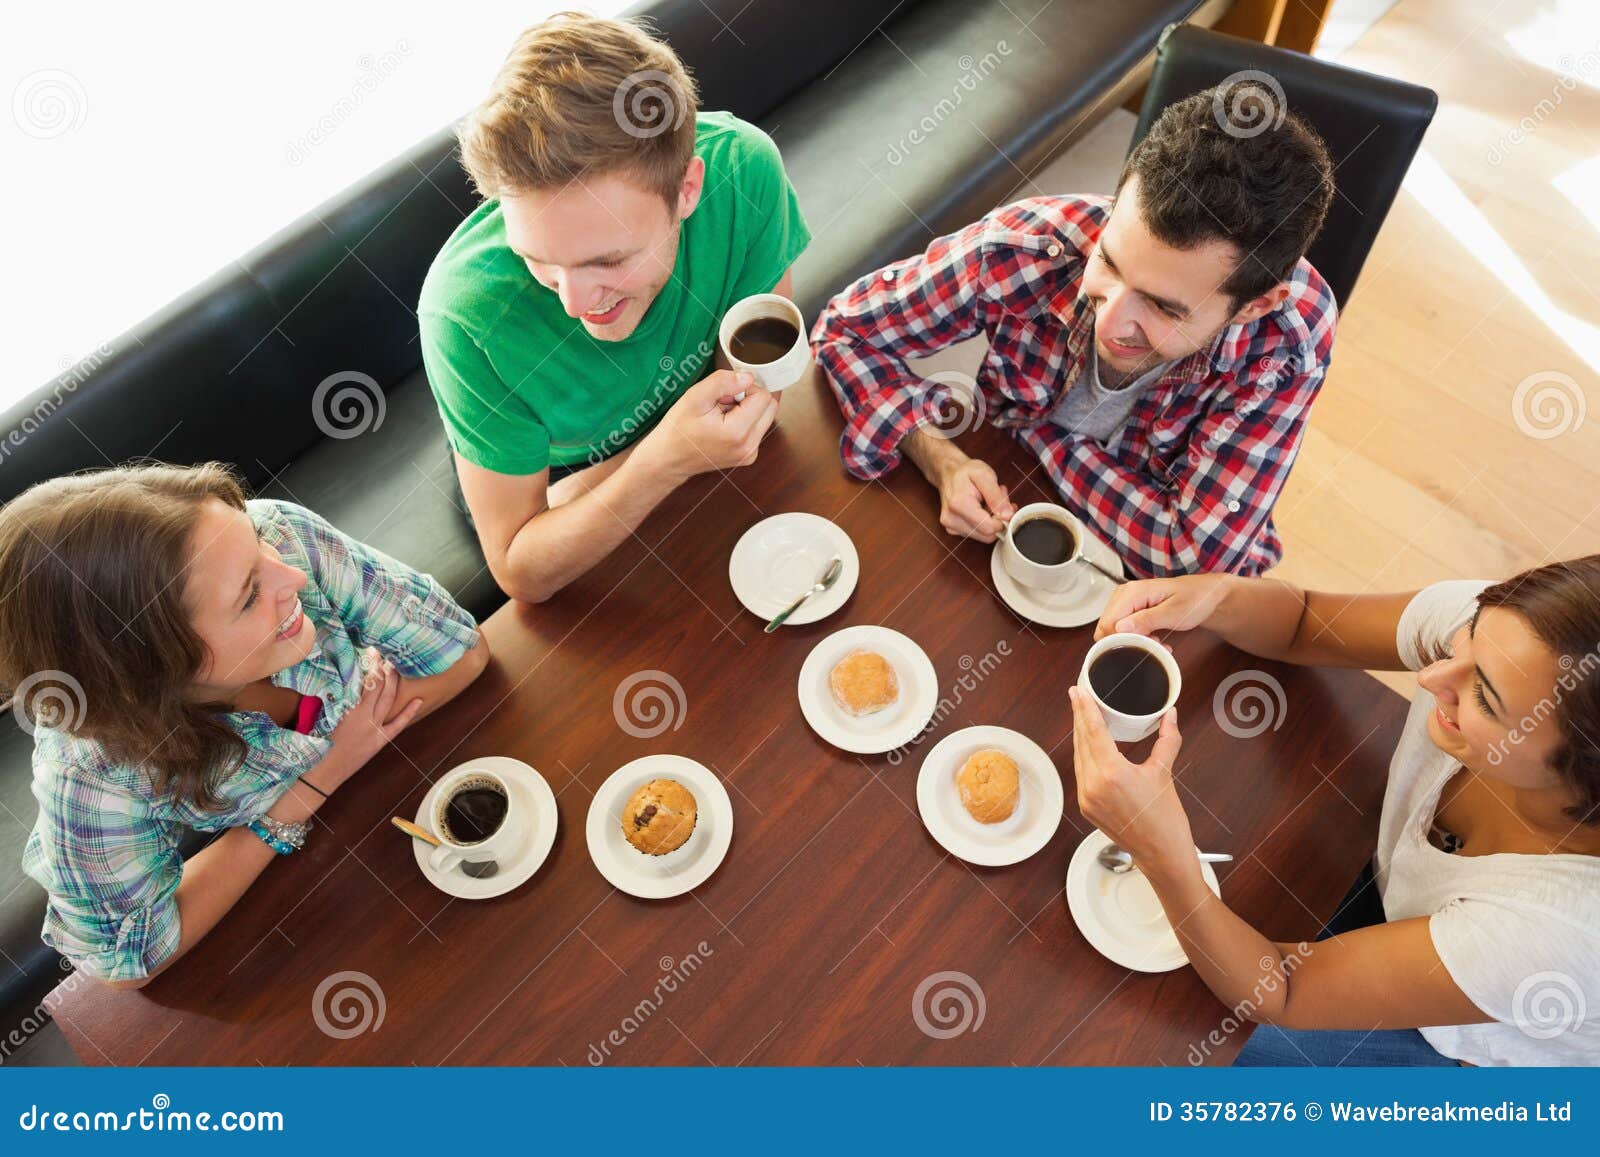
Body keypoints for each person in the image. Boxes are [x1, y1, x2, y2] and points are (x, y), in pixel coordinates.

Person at [1070, 557, 1600, 1065]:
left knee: (1170, 1047)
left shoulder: (1555, 935)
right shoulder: (1509, 642)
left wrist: (1161, 851)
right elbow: (1306, 621)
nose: (1432, 674)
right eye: (1470, 634)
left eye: (1484, 698)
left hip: (1452, 1039)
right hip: (1391, 883)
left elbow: (1282, 989)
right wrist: (1217, 594)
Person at [813, 82, 1336, 578]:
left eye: (1163, 307)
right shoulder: (1026, 246)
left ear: (1254, 305)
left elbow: (1191, 559)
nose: (1109, 324)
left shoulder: (1290, 340)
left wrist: (1037, 430)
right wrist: (940, 458)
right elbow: (844, 330)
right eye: (1109, 262)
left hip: (1149, 594)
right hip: (1001, 497)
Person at [0, 464, 490, 987]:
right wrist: (311, 785)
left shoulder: (283, 534)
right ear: (159, 668)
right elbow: (127, 958)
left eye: (255, 541)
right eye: (250, 595)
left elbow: (462, 653)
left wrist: (331, 767)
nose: (292, 576)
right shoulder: (92, 771)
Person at [420, 13, 811, 603]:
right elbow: (522, 570)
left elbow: (765, 384)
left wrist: (591, 497)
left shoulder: (745, 170)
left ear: (687, 189)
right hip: (536, 467)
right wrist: (659, 462)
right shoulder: (461, 316)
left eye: (607, 261)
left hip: (651, 460)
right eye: (539, 259)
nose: (574, 303)